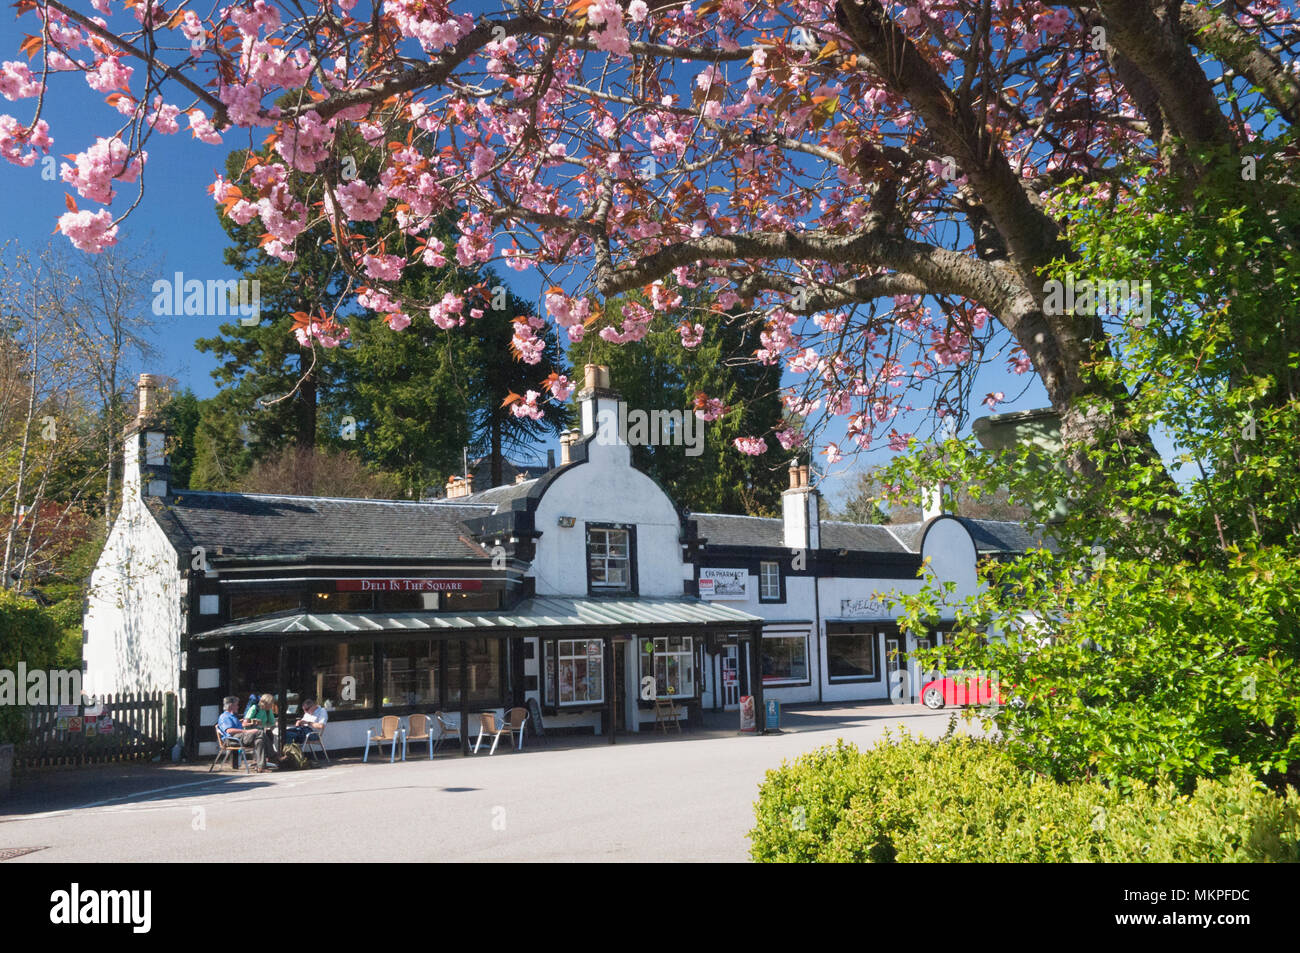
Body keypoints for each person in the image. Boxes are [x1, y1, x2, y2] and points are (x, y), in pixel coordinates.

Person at [217, 695, 269, 772]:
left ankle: (261, 767)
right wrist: (247, 731)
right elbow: (229, 731)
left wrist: (247, 723)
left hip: (240, 737)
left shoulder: (233, 716)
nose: (238, 707)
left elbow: (238, 727)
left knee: (259, 741)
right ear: (231, 705)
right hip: (232, 740)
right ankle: (274, 756)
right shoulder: (225, 716)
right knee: (259, 732)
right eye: (236, 705)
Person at [244, 693, 279, 763]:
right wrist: (254, 722)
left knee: (270, 735)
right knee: (264, 736)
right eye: (271, 703)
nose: (272, 705)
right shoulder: (255, 708)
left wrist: (276, 725)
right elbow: (244, 723)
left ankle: (271, 757)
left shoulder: (268, 710)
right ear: (266, 703)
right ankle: (273, 756)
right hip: (250, 733)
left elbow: (271, 724)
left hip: (261, 733)